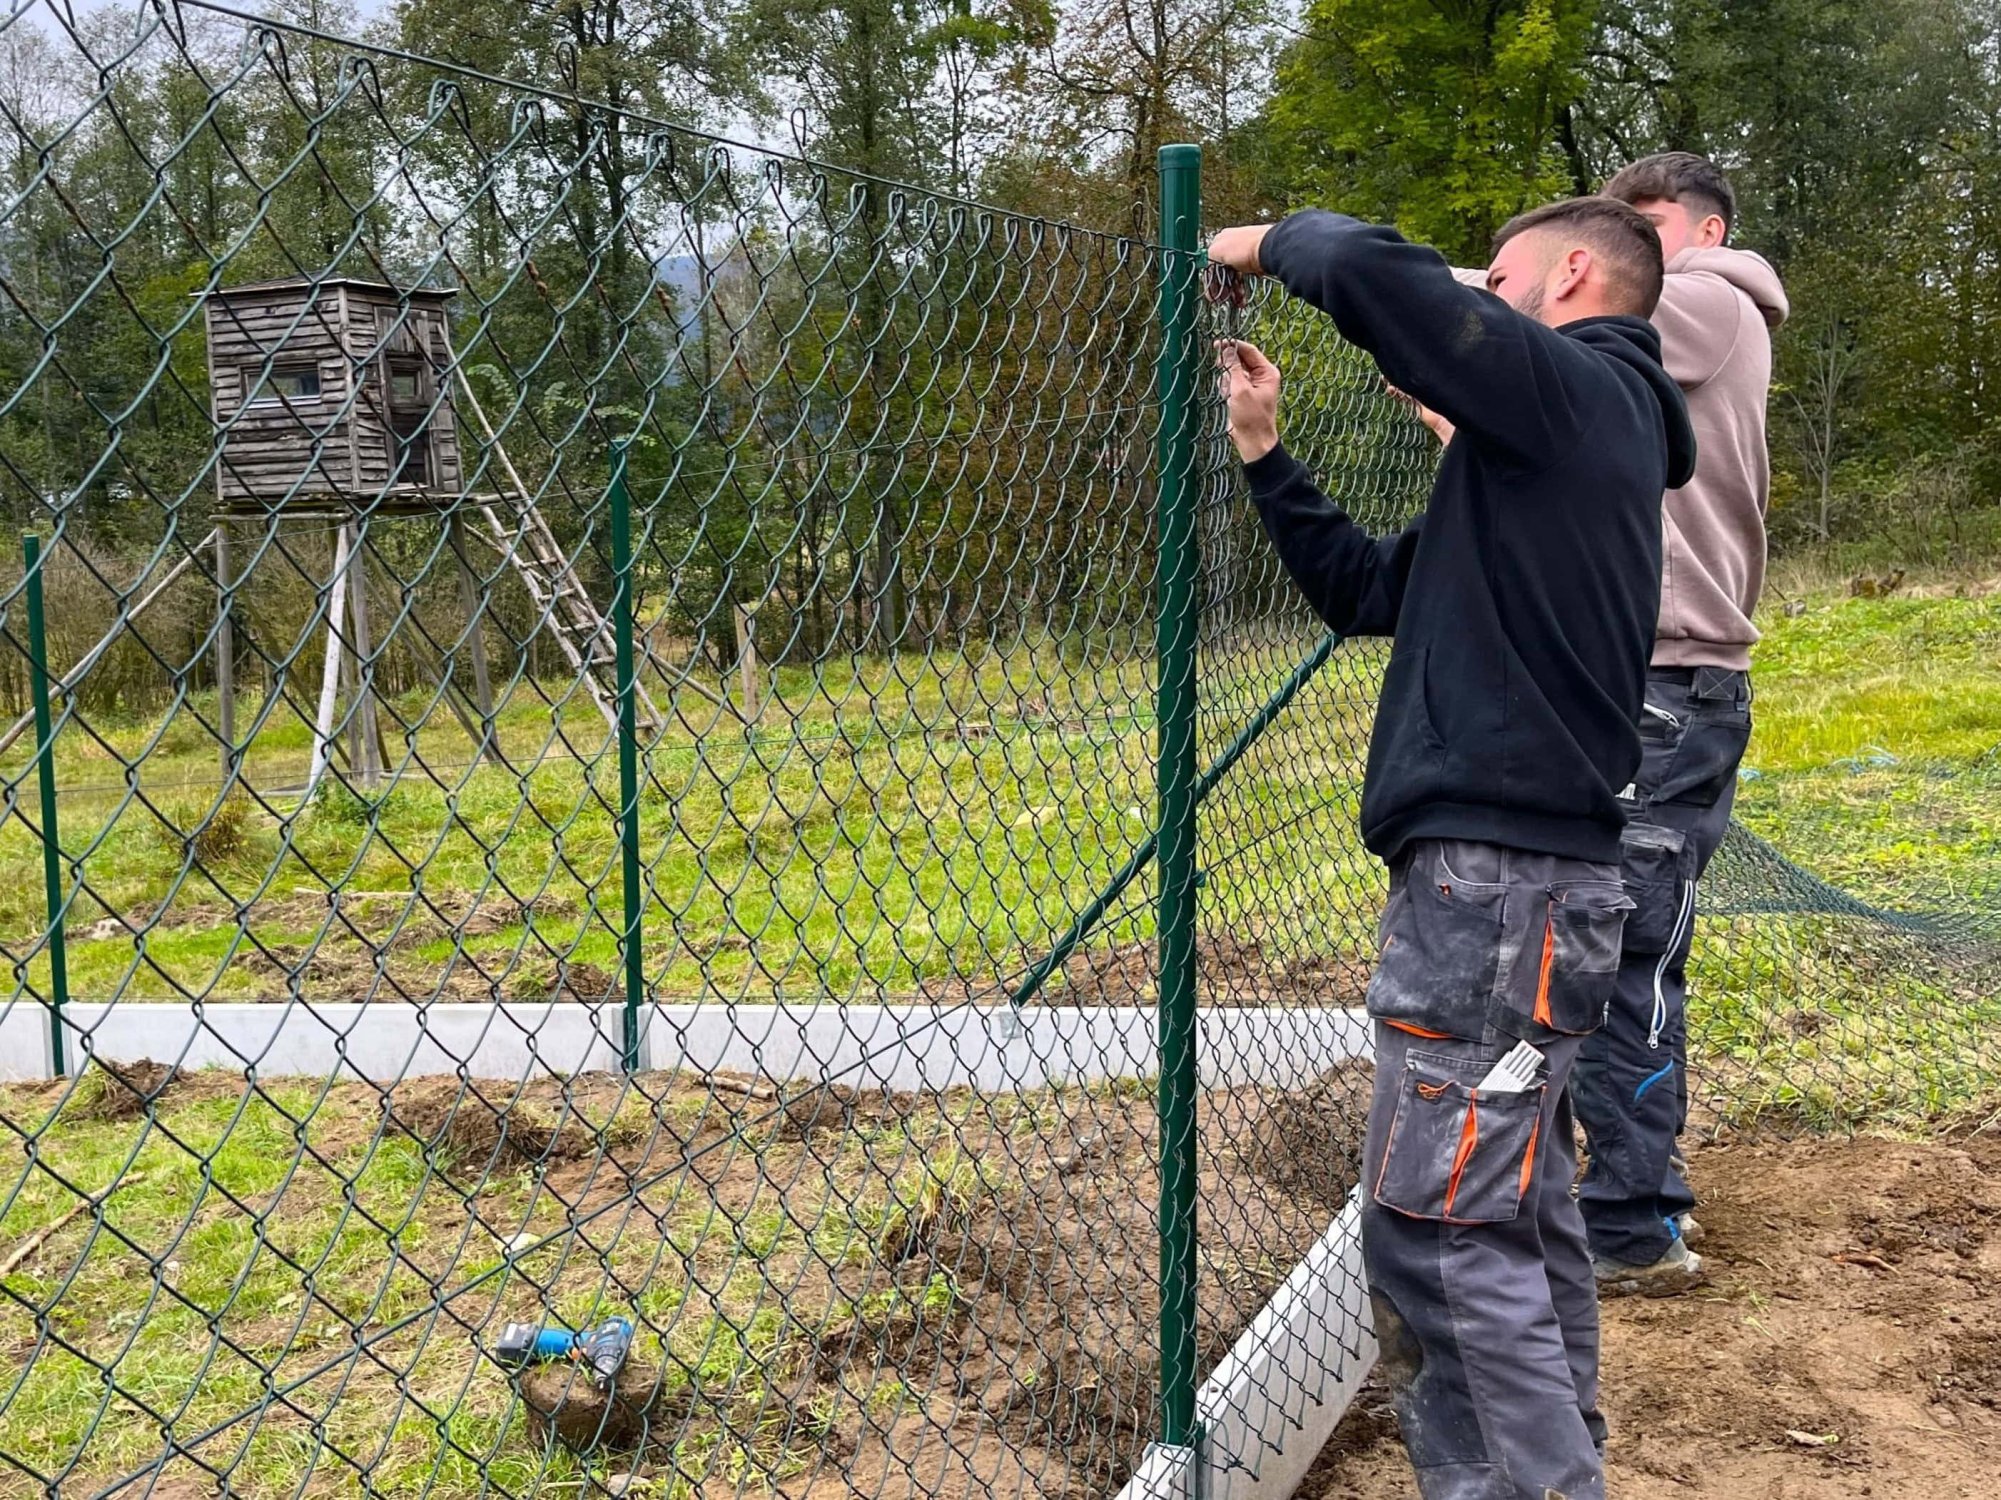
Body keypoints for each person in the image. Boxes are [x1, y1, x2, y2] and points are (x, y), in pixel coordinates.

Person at [1207, 198, 1694, 1500]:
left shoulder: (1585, 390)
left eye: (1500, 275)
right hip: (1536, 900)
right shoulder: (1562, 457)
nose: (1483, 291)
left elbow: (1373, 273)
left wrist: (1252, 244)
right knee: (1516, 1212)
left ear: (1572, 274)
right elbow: (1367, 591)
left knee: (1440, 1233)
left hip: (1494, 903)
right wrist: (1264, 451)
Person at [1417, 155, 1790, 1294]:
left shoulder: (1709, 300)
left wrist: (1419, 287)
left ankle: (1630, 1223)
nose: (1625, 245)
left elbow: (1524, 335)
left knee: (1617, 953)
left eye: (1648, 224)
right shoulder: (1639, 365)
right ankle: (1619, 1202)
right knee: (1601, 942)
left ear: (1708, 230)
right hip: (1651, 675)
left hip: (1664, 676)